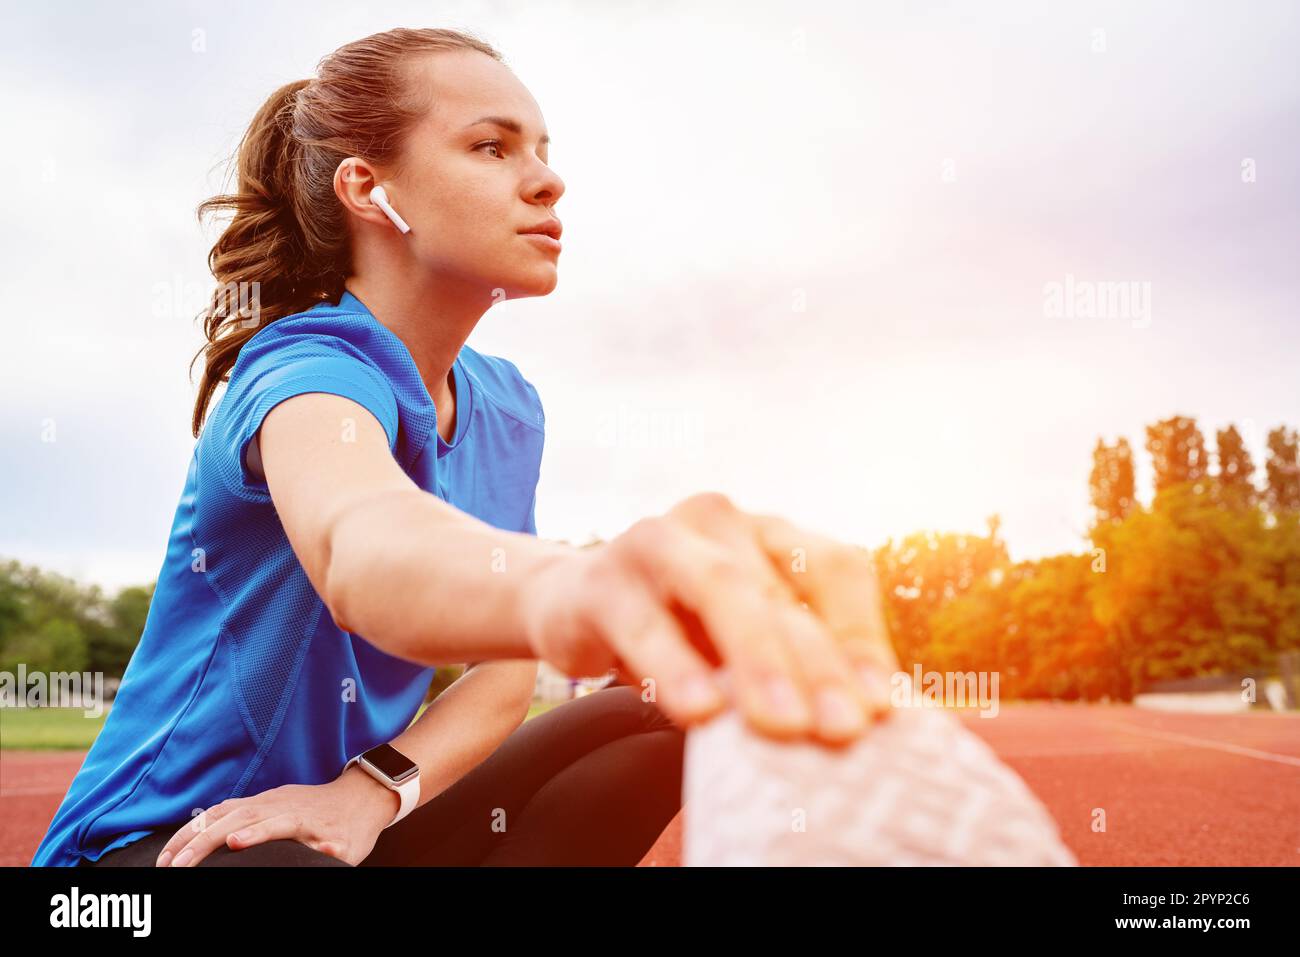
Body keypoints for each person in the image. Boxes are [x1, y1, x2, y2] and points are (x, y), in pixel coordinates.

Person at [31, 27, 896, 869]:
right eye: (492, 147)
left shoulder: (508, 407)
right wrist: (572, 580)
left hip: (347, 826)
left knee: (680, 706)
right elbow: (360, 547)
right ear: (370, 190)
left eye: (543, 150)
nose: (548, 180)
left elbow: (502, 671)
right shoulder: (305, 372)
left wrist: (370, 793)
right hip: (156, 851)